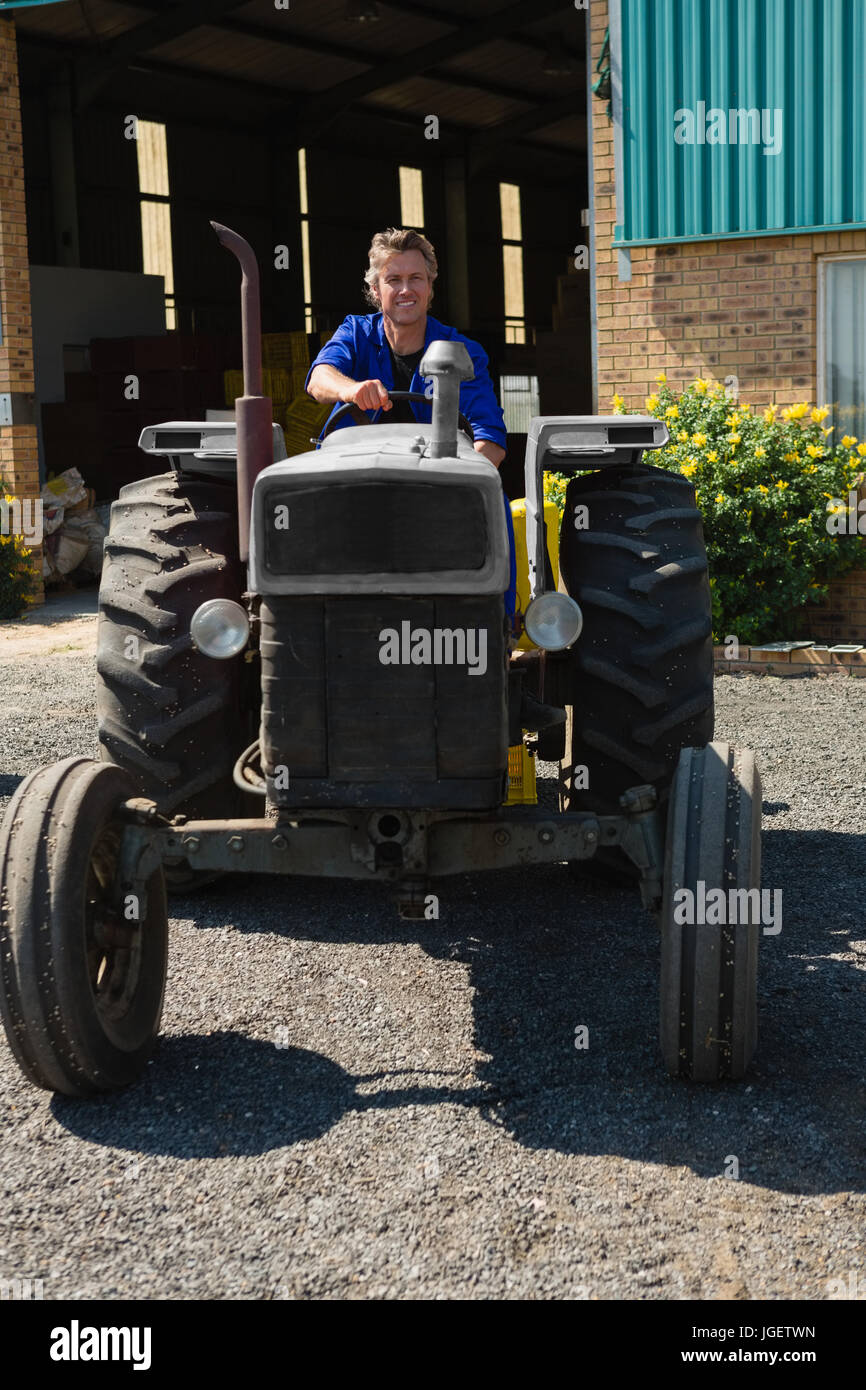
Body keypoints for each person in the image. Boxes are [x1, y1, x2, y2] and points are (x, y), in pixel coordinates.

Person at [306, 227, 564, 733]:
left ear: (430, 287)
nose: (405, 290)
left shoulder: (461, 350)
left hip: (440, 500)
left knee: (496, 518)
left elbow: (490, 442)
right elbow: (319, 380)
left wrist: (449, 485)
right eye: (393, 279)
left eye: (416, 279)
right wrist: (353, 388)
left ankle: (500, 666)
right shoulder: (355, 335)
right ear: (375, 288)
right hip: (360, 494)